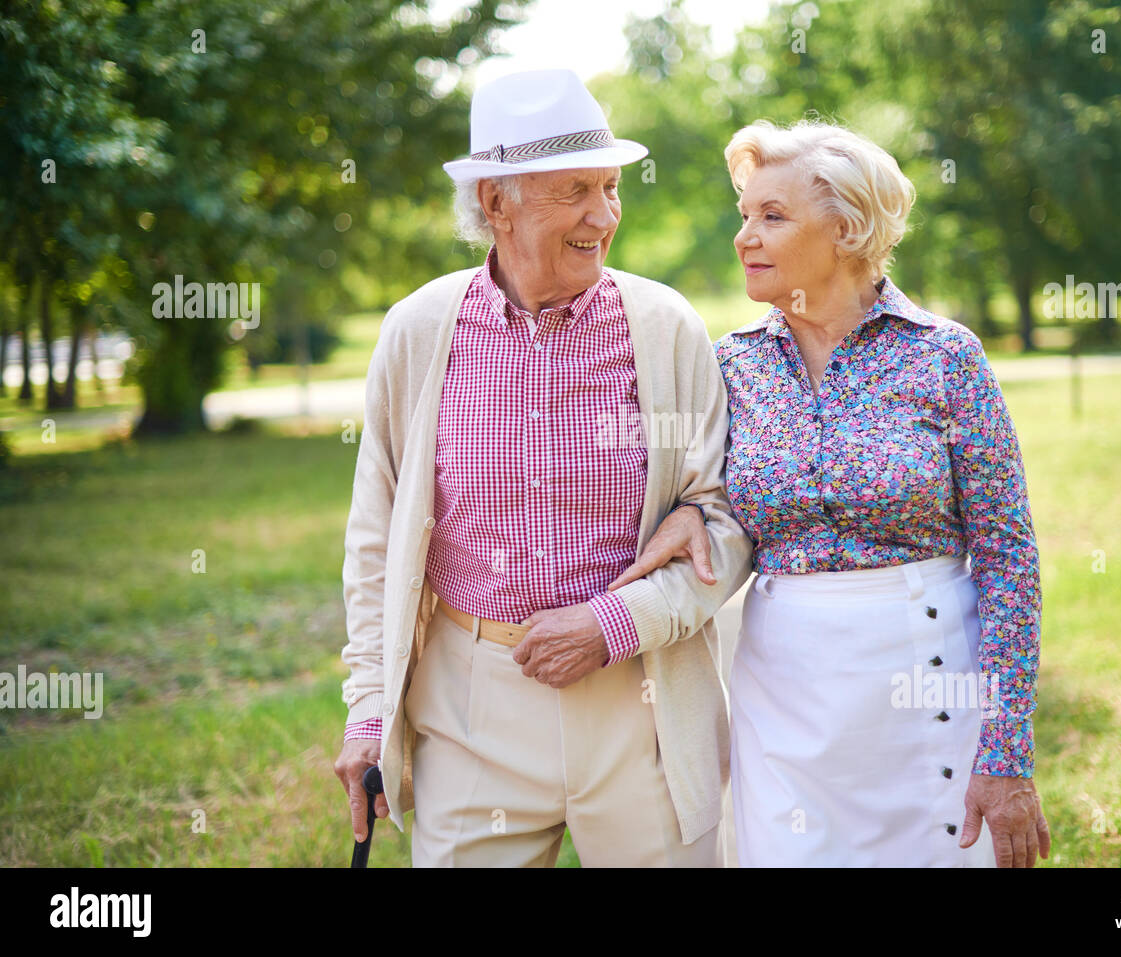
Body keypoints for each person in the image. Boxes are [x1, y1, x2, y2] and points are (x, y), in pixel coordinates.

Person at [333, 69, 752, 866]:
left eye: (610, 187)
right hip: (471, 704)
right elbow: (376, 538)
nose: (604, 215)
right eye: (575, 191)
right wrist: (366, 710)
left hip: (642, 700)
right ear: (497, 202)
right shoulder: (419, 330)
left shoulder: (664, 328)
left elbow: (726, 521)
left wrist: (615, 622)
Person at [611, 119, 1051, 867]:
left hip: (927, 681)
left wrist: (1005, 749)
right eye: (745, 214)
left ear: (847, 229)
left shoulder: (945, 357)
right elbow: (705, 492)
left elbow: (1008, 556)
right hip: (783, 698)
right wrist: (690, 509)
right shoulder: (732, 366)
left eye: (771, 216)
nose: (745, 235)